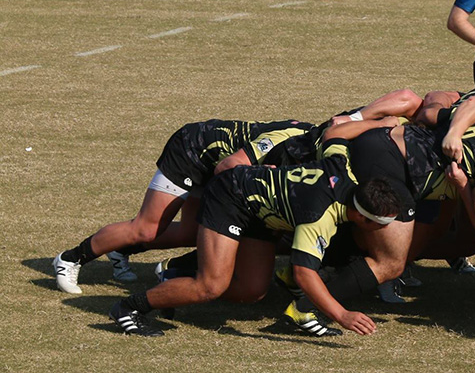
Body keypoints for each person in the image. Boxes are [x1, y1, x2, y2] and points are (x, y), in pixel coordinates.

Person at [108, 121, 404, 336]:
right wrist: (341, 314)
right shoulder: (320, 218)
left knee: (251, 290)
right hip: (231, 196)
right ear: (362, 218)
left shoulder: (343, 167)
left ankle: (173, 278)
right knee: (211, 286)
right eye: (381, 223)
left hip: (262, 209)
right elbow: (303, 273)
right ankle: (129, 307)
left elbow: (335, 132)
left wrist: (382, 122)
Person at [52, 119, 313, 293]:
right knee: (147, 227)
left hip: (220, 172)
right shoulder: (292, 137)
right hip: (194, 151)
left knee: (191, 234)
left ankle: (121, 249)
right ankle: (70, 259)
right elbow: (227, 167)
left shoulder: (317, 150)